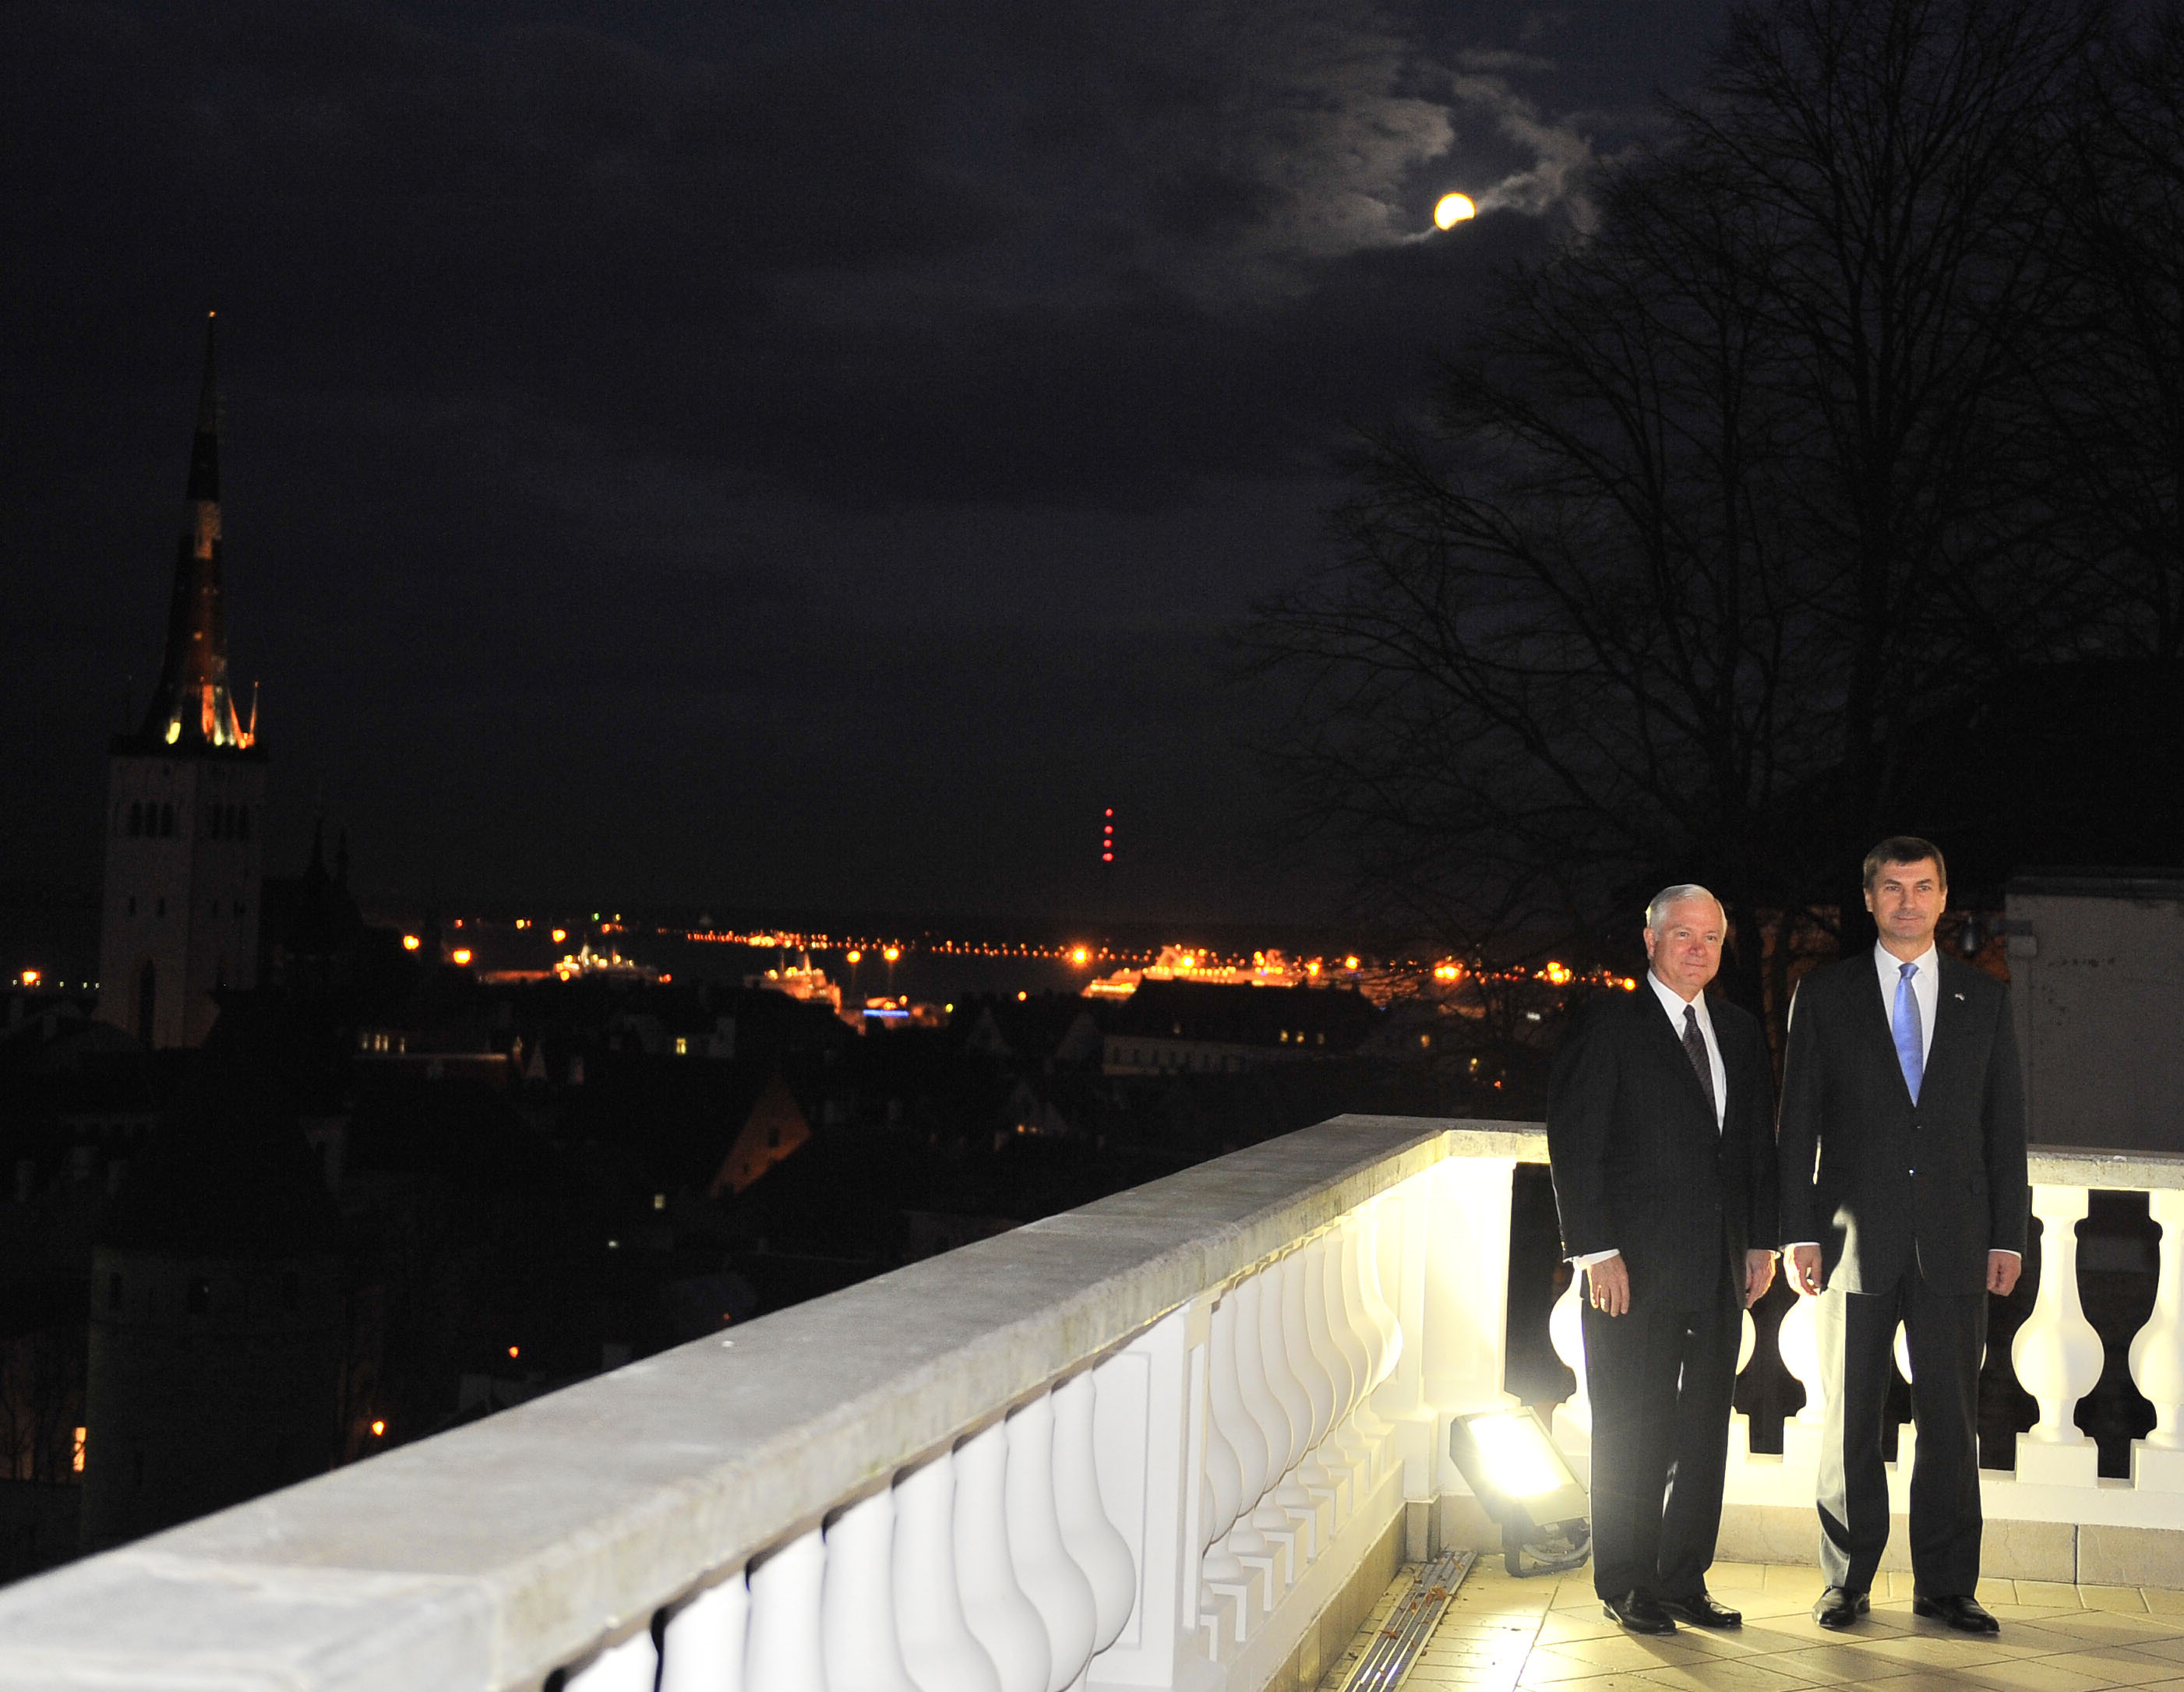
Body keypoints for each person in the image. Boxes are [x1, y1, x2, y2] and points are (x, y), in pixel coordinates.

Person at [1779, 838, 2027, 1634]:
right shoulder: (1823, 994)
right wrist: (1795, 1232)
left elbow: (2005, 1128)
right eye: (1892, 888)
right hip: (1850, 1238)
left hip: (1957, 1239)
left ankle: (1947, 1585)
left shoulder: (1983, 999)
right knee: (1850, 1417)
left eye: (1922, 887)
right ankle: (1845, 1579)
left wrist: (2008, 1237)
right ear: (1869, 899)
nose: (1908, 902)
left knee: (1951, 1420)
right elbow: (1796, 1128)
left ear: (1943, 895)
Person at [1547, 885, 1779, 1635]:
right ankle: (1625, 1581)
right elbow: (1574, 1145)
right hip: (1629, 1271)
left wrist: (1759, 1241)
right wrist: (1594, 1251)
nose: (1696, 949)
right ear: (1648, 940)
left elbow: (1752, 1150)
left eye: (1710, 937)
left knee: (1704, 1426)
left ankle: (1682, 1579)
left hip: (1718, 1269)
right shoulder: (1609, 1026)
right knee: (1630, 1425)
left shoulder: (1739, 1032)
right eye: (1681, 935)